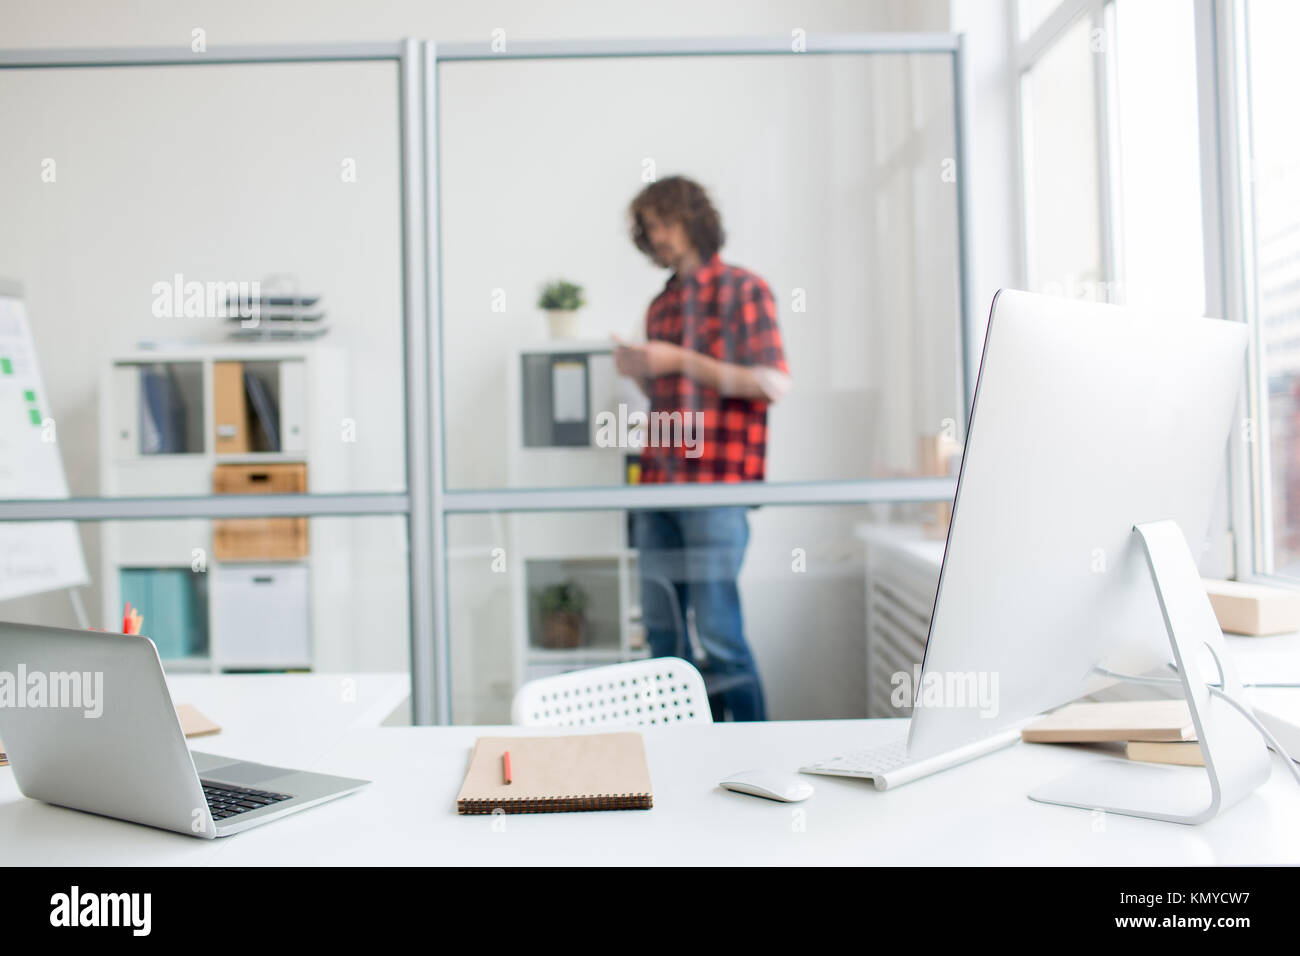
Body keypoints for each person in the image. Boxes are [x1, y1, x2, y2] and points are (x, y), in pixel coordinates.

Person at [614, 175, 790, 721]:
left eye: (664, 222)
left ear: (693, 220)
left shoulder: (745, 290)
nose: (658, 236)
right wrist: (643, 373)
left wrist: (680, 360)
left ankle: (750, 748)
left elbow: (772, 383)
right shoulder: (660, 306)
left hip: (717, 485)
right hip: (659, 486)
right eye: (649, 228)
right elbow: (670, 396)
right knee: (662, 636)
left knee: (719, 631)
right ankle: (673, 754)